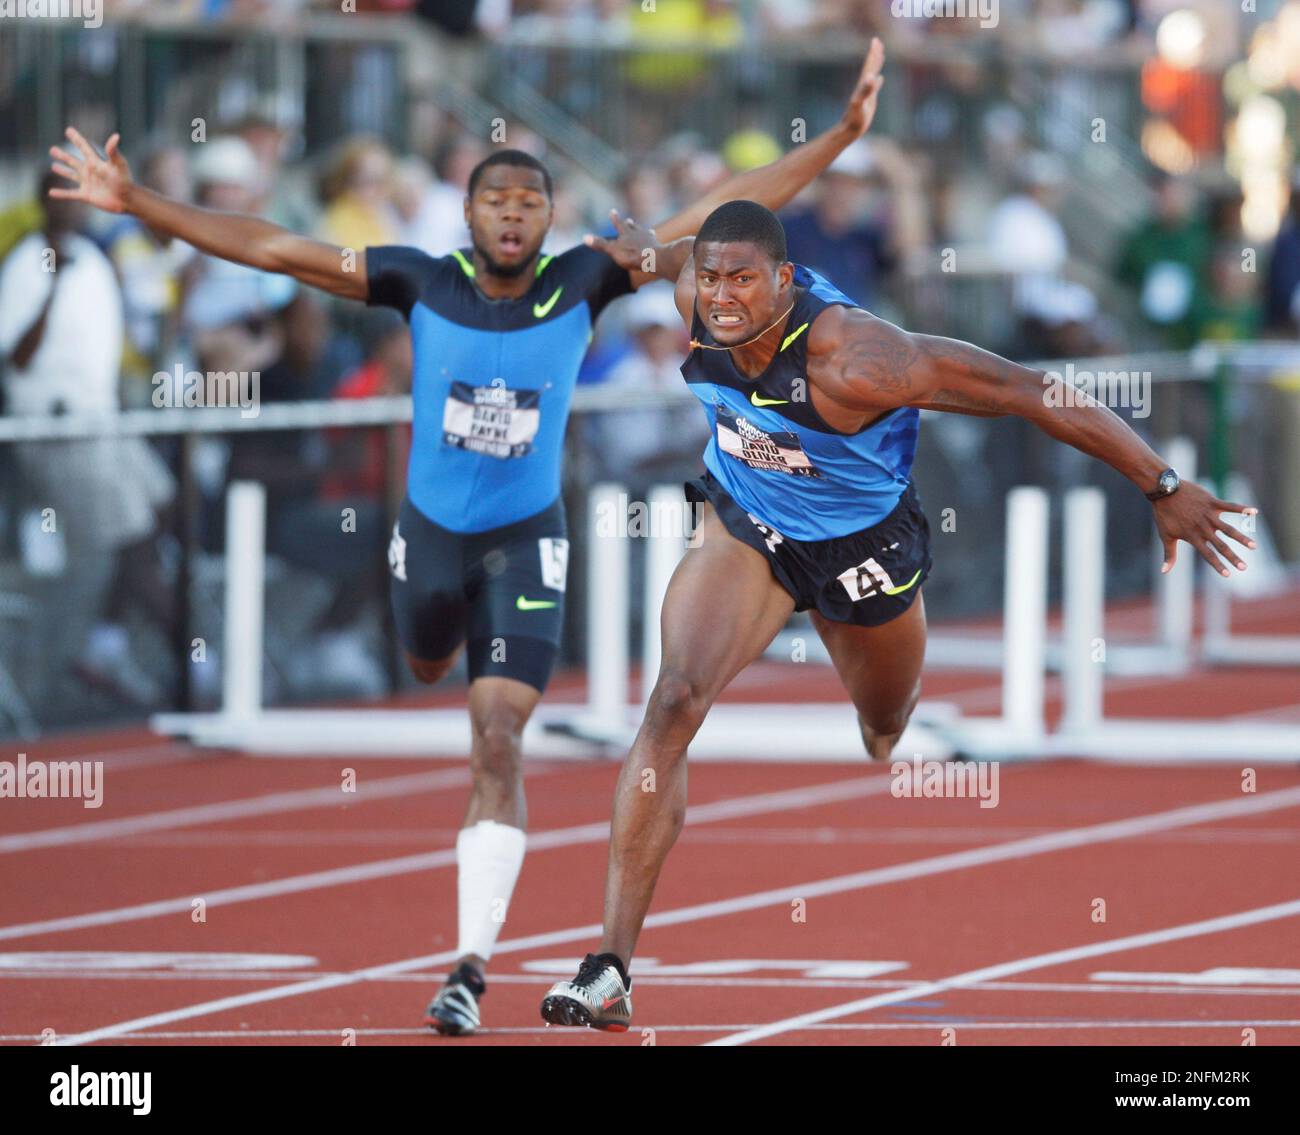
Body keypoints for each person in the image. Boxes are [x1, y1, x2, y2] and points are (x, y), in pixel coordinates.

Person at [48, 37, 893, 1037]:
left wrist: (837, 137)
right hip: (429, 538)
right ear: (469, 213)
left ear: (546, 217)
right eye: (495, 200)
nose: (511, 216)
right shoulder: (416, 278)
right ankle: (434, 679)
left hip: (524, 537)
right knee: (424, 656)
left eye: (529, 203)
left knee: (496, 735)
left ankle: (466, 966)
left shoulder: (588, 277)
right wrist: (139, 202)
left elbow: (719, 214)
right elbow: (275, 246)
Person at [538, 198, 1260, 1030]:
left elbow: (1030, 388)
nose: (723, 298)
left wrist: (1161, 485)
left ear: (783, 280)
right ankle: (611, 966)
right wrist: (635, 243)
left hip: (864, 547)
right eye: (711, 279)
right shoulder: (695, 297)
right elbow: (666, 250)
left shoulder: (862, 357)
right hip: (748, 528)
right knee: (672, 701)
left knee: (883, 722)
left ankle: (883, 710)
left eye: (744, 280)